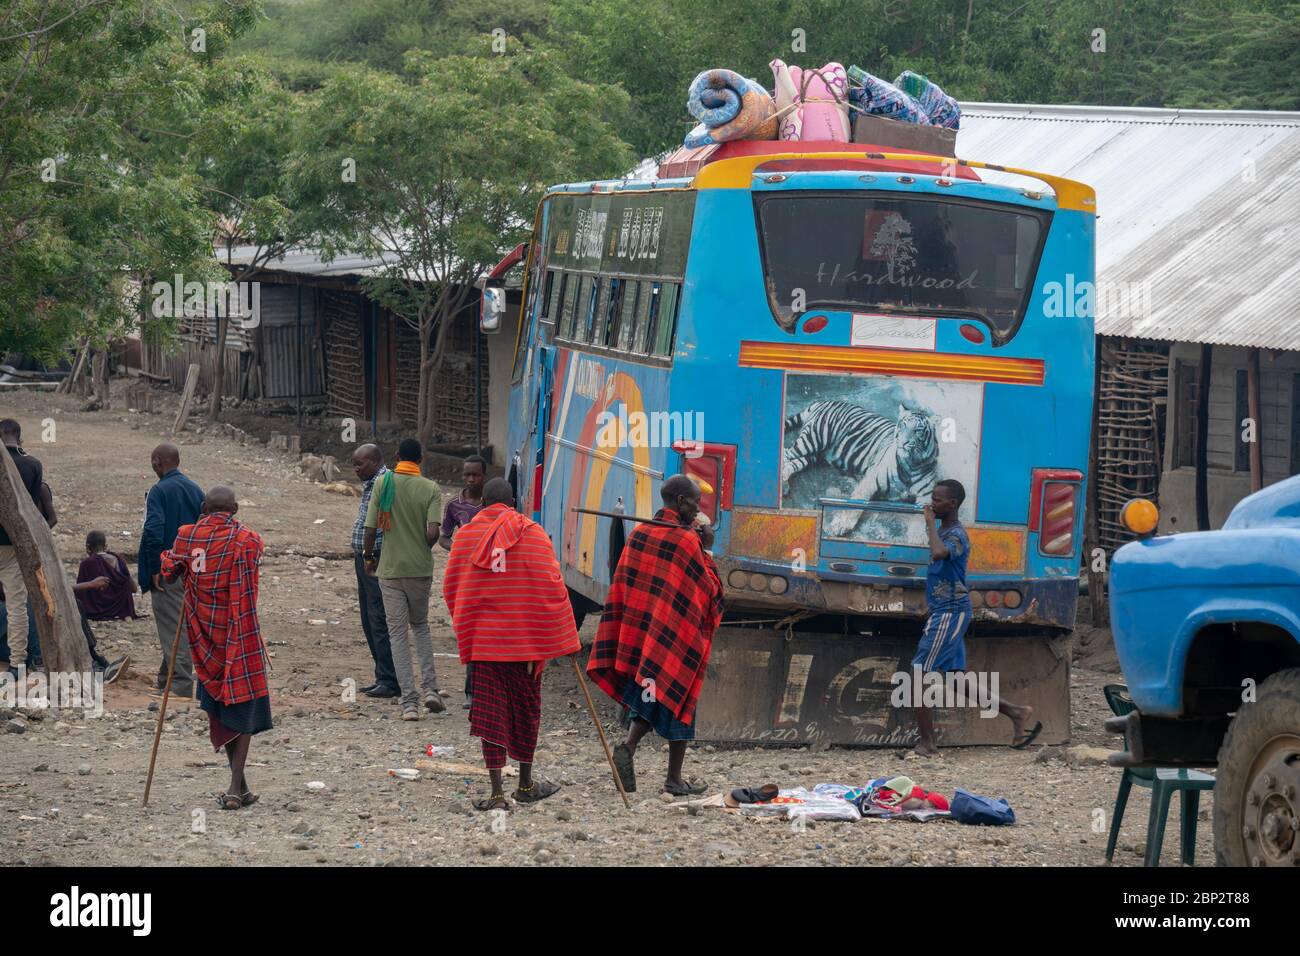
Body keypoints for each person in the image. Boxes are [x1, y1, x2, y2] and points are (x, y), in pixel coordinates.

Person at [443, 478, 580, 810]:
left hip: (487, 645)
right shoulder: (532, 533)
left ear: (483, 504)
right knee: (525, 712)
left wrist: (471, 624)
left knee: (491, 716)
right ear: (513, 502)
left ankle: (496, 795)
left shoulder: (466, 537)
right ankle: (526, 784)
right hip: (526, 646)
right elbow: (552, 586)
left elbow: (452, 588)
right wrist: (560, 634)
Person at [587, 475, 724, 796]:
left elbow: (626, 585)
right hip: (675, 638)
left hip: (643, 634)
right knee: (680, 700)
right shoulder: (687, 541)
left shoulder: (640, 533)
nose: (697, 508)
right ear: (679, 502)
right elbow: (710, 590)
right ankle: (673, 779)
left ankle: (630, 747)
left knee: (648, 691)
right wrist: (708, 549)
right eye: (694, 502)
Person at [160, 485, 270, 810]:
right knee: (243, 707)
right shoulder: (248, 540)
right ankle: (236, 790)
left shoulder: (186, 536)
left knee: (222, 709)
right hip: (240, 635)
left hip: (204, 638)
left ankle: (242, 788)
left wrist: (178, 564)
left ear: (204, 507)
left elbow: (168, 575)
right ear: (234, 509)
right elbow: (254, 561)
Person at [912, 478, 1040, 755]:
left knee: (918, 675)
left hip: (950, 611)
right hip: (945, 609)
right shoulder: (946, 530)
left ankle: (927, 743)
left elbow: (938, 554)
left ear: (952, 504)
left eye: (937, 500)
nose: (932, 504)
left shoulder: (956, 534)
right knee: (955, 679)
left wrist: (927, 522)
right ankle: (1016, 713)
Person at [363, 438, 443, 721]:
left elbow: (370, 529)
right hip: (420, 569)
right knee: (420, 626)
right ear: (420, 459)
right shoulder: (431, 489)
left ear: (397, 457)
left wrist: (368, 558)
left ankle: (409, 702)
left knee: (397, 634)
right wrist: (421, 546)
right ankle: (431, 689)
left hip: (390, 569)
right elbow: (433, 532)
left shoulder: (383, 485)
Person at [138, 442, 204, 698]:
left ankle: (179, 685)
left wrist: (155, 567)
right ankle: (166, 678)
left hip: (167, 569)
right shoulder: (195, 489)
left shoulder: (159, 491)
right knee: (179, 622)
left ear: (157, 462)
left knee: (172, 624)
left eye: (152, 462)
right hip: (191, 568)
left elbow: (154, 529)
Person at [0, 419, 55, 679]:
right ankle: (17, 663)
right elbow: (33, 509)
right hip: (14, 545)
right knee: (16, 605)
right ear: (19, 438)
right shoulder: (33, 464)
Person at [349, 444, 398, 699]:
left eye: (360, 464)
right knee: (369, 619)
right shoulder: (372, 482)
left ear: (377, 460)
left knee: (378, 618)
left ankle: (390, 679)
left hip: (375, 559)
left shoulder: (385, 483)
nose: (356, 470)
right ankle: (383, 675)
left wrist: (369, 556)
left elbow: (381, 525)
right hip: (366, 558)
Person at [438, 454, 486, 709]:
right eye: (466, 474)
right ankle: (471, 692)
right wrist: (459, 547)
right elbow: (443, 537)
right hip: (465, 579)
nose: (470, 479)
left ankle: (482, 691)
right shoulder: (454, 505)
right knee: (469, 631)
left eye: (475, 475)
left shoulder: (492, 505)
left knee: (487, 634)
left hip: (489, 577)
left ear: (484, 476)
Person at [76, 531, 137, 621]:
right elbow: (133, 588)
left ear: (88, 547)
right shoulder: (117, 559)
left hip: (95, 611)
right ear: (105, 546)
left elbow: (80, 594)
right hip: (119, 610)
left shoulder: (86, 564)